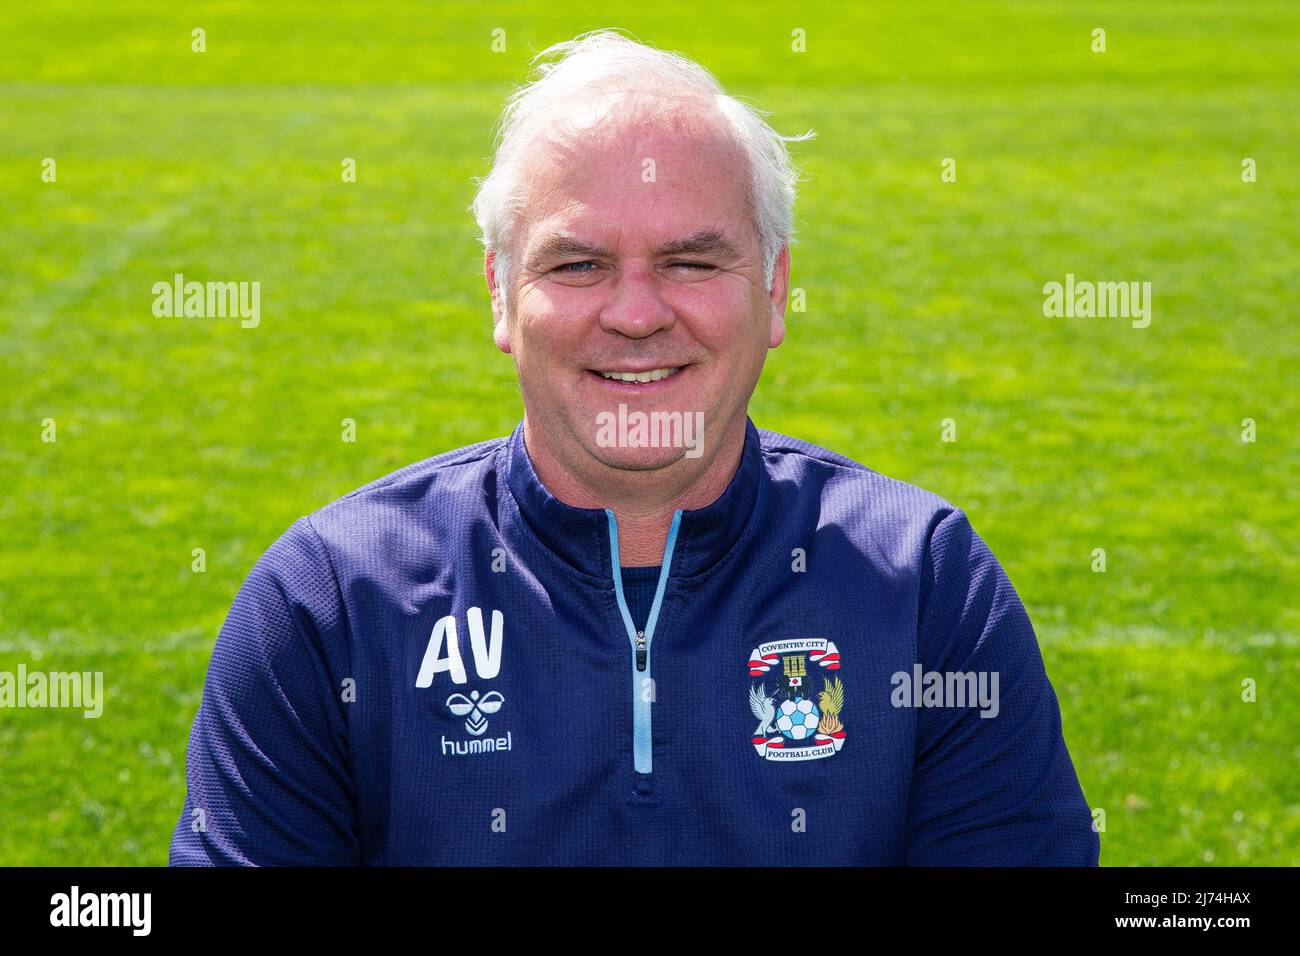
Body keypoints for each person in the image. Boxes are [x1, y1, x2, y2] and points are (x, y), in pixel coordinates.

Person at [169, 28, 1100, 866]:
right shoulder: (327, 603)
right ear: (500, 293)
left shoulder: (925, 584)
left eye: (693, 262)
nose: (637, 314)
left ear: (775, 291)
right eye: (578, 265)